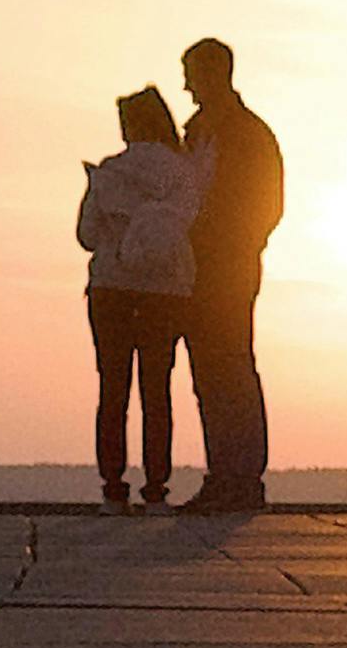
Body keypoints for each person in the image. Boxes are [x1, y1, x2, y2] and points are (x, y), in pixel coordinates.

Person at [73, 83, 207, 509]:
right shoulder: (183, 173)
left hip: (111, 288)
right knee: (157, 390)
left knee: (112, 390)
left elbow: (87, 236)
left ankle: (113, 487)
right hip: (165, 292)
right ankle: (156, 488)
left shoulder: (110, 172)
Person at [172, 35, 284, 512]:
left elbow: (269, 203)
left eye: (192, 75)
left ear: (215, 74)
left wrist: (240, 244)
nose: (186, 86)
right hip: (193, 269)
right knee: (207, 371)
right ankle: (222, 473)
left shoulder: (249, 132)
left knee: (233, 365)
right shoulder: (195, 130)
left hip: (231, 266)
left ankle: (244, 477)